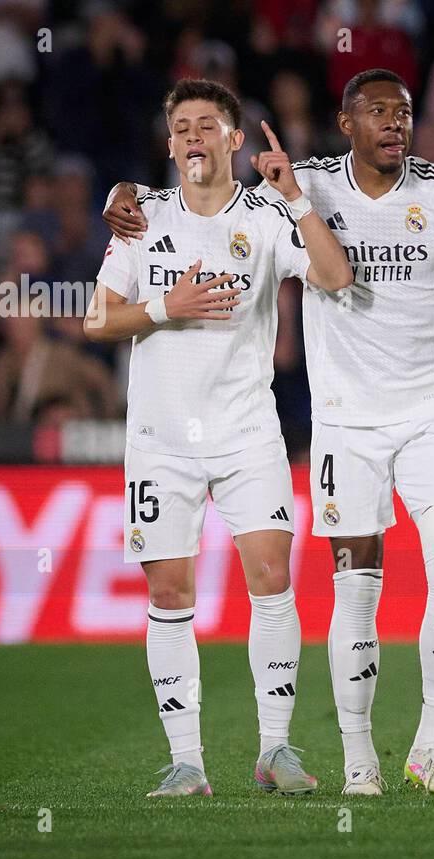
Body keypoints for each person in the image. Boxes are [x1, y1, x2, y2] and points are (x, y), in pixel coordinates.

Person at [103, 68, 434, 797]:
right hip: (345, 423)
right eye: (376, 111)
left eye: (402, 112)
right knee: (355, 594)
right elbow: (195, 189)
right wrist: (119, 196)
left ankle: (430, 745)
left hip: (433, 414)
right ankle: (359, 758)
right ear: (347, 124)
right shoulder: (299, 187)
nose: (392, 123)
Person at [85, 78, 352, 799]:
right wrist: (165, 305)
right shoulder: (141, 219)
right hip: (159, 438)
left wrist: (296, 195)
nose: (194, 137)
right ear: (169, 144)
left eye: (208, 125)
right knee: (170, 593)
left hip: (245, 432)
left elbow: (335, 276)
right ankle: (187, 764)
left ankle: (276, 750)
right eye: (182, 128)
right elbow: (96, 320)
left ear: (235, 140)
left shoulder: (265, 217)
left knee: (273, 579)